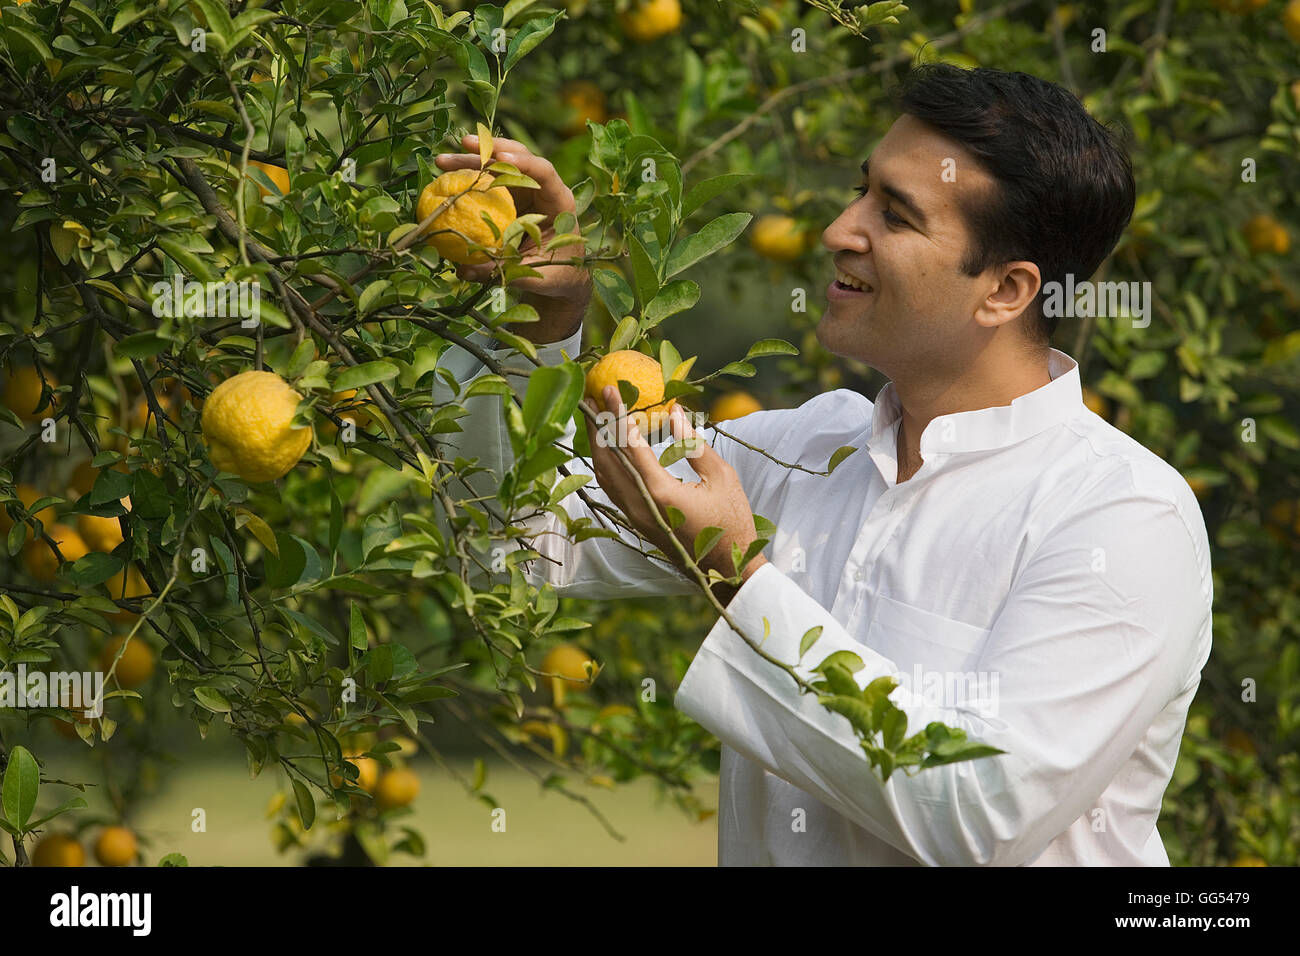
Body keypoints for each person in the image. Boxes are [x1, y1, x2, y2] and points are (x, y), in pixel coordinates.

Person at [430, 64, 1213, 866]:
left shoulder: (1120, 518)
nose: (841, 228)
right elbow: (513, 540)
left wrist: (737, 575)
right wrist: (540, 316)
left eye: (895, 216)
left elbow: (981, 813)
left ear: (1006, 291)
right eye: (861, 190)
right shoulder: (802, 450)